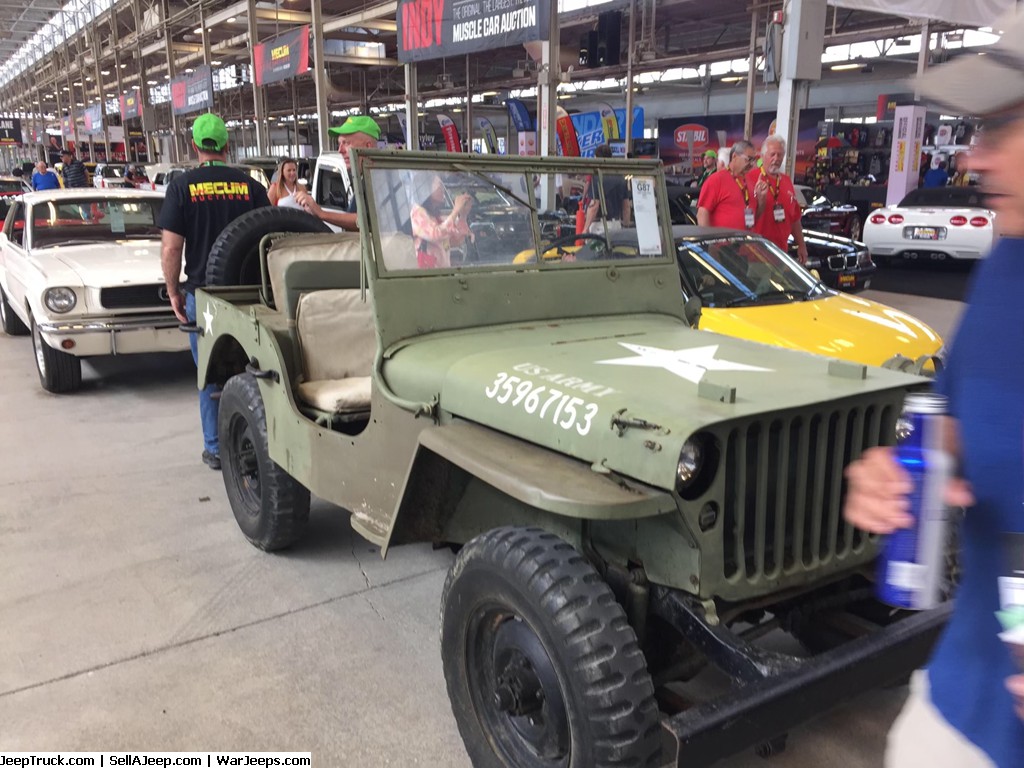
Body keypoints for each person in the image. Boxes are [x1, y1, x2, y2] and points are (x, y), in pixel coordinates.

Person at [843, 11, 1024, 766]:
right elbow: (955, 418)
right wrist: (898, 468)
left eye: (1006, 126)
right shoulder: (1005, 265)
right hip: (961, 702)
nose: (976, 158)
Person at [158, 113, 271, 471]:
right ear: (226, 146)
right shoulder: (250, 186)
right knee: (257, 371)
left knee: (208, 375)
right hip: (248, 293)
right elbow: (269, 239)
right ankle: (260, 439)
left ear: (194, 146)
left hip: (203, 294)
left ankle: (216, 449)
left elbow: (172, 249)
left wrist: (173, 290)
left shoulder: (182, 187)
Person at [294, 115, 380, 231]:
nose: (340, 150)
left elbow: (366, 221)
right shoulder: (366, 177)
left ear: (368, 146)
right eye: (339, 144)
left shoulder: (380, 177)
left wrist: (321, 213)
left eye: (346, 143)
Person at [749, 135, 809, 264]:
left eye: (780, 155)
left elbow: (794, 218)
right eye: (772, 154)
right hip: (755, 255)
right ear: (762, 156)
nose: (776, 159)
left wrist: (802, 245)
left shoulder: (786, 181)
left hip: (781, 254)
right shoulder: (750, 179)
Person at [410, 174, 473, 269]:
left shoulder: (436, 216)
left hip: (442, 272)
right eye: (439, 185)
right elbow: (434, 234)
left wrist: (463, 215)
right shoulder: (417, 212)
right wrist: (455, 211)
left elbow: (456, 240)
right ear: (426, 189)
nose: (443, 189)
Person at [696, 139, 758, 230]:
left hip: (746, 241)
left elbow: (754, 214)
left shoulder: (749, 181)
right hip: (723, 242)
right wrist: (710, 242)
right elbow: (702, 213)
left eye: (754, 160)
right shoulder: (716, 180)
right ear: (734, 156)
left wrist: (762, 199)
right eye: (748, 159)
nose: (751, 164)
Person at [583, 144, 632, 234]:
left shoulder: (596, 178)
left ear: (598, 159)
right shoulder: (621, 178)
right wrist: (626, 226)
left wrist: (585, 228)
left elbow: (594, 206)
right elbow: (626, 206)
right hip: (617, 225)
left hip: (600, 226)